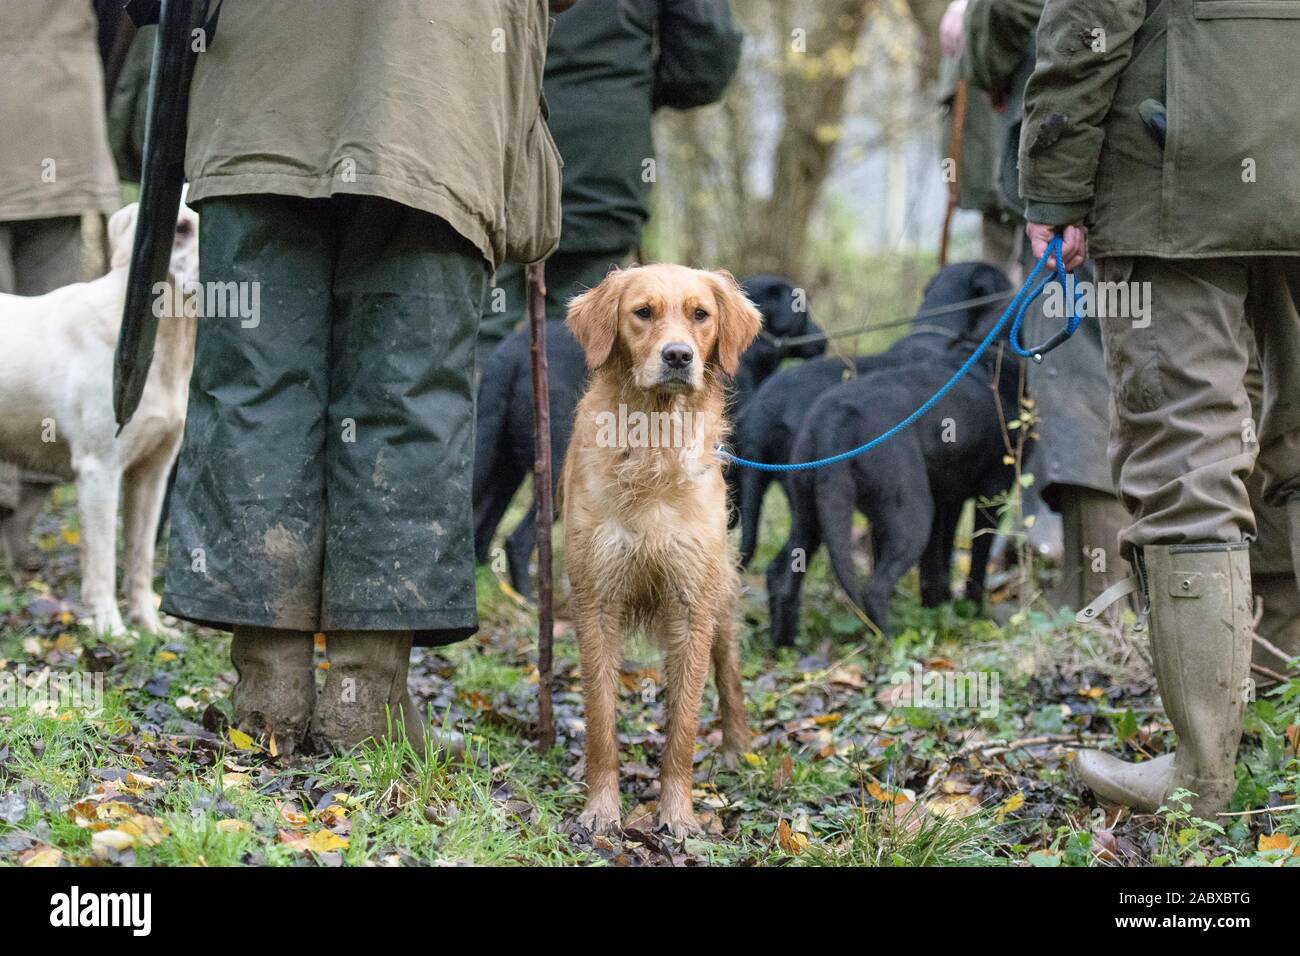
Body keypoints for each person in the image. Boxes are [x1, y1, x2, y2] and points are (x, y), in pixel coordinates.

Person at [157, 0, 569, 756]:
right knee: (406, 395)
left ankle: (268, 693)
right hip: (435, 93)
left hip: (260, 87)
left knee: (255, 382)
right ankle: (363, 700)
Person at [1020, 0, 1300, 816]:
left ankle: (1206, 770)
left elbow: (1093, 15)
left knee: (1187, 447)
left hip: (1179, 153)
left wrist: (1055, 182)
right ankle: (1279, 720)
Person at [474, 0, 743, 366]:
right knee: (583, 339)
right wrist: (624, 88)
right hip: (600, 153)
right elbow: (708, 52)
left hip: (486, 140)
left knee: (480, 330)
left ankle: (476, 416)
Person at [0, 1, 120, 569]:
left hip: (56, 111)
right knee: (60, 356)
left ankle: (11, 515)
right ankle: (24, 519)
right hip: (61, 114)